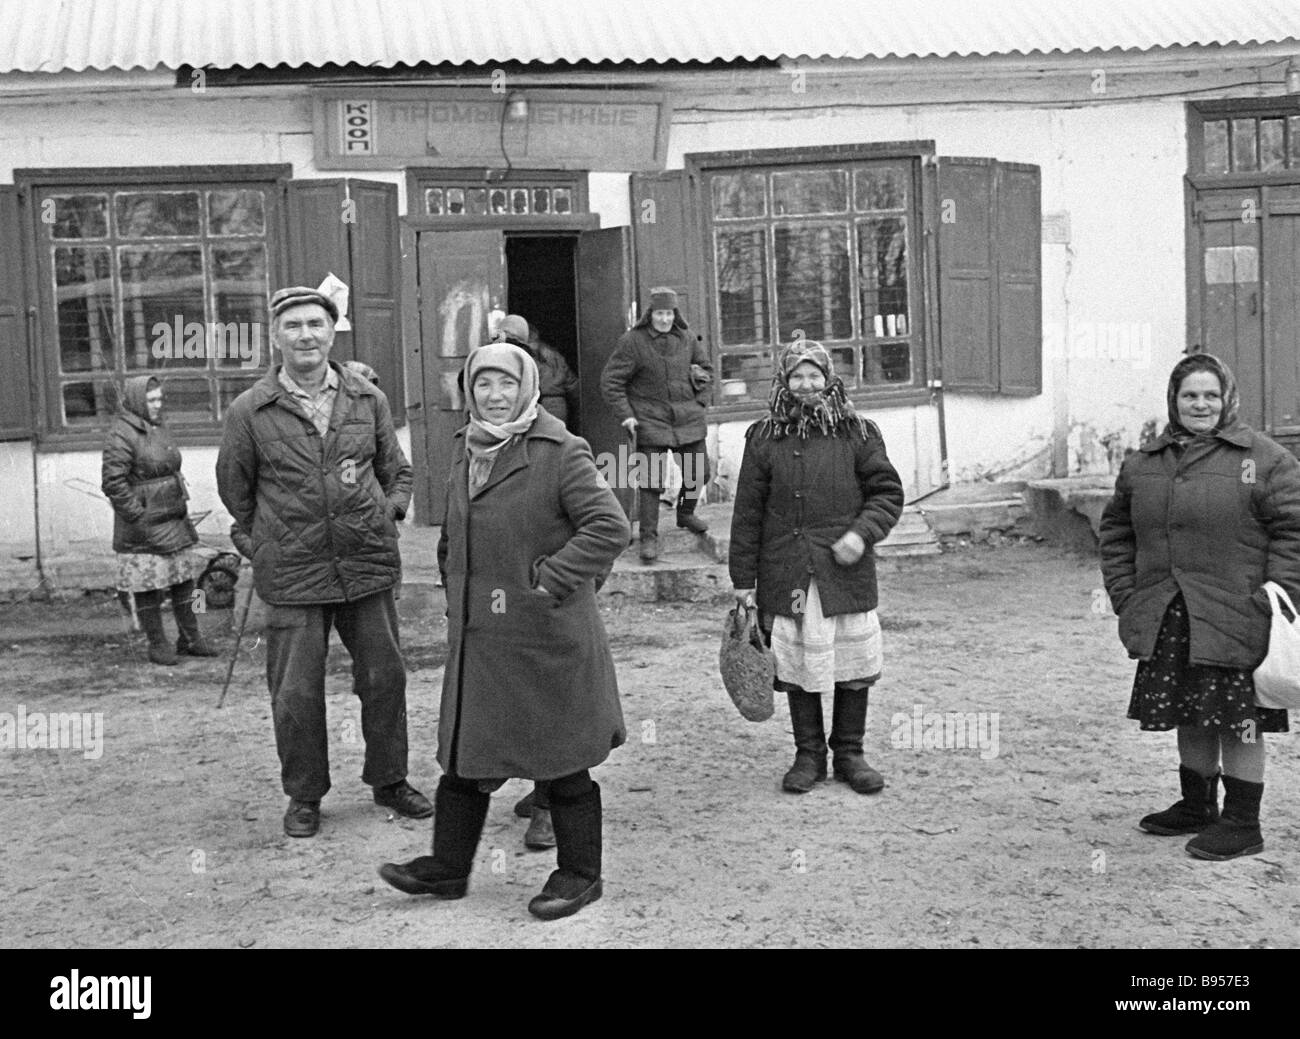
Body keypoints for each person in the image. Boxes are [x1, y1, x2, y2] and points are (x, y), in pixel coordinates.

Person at [378, 341, 630, 920]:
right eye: (483, 385)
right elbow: (453, 536)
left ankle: (579, 874)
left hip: (545, 637)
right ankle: (447, 869)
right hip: (481, 636)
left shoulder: (560, 450)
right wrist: (453, 585)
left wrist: (547, 581)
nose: (494, 397)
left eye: (506, 385)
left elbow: (608, 527)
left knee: (564, 762)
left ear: (528, 388)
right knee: (466, 759)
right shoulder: (468, 449)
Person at [216, 286, 431, 839]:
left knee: (384, 678)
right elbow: (235, 491)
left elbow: (397, 471)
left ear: (332, 332)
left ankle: (390, 780)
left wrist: (389, 513)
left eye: (315, 324)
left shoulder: (367, 399)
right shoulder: (250, 410)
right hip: (292, 573)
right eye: (293, 326)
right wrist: (264, 542)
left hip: (366, 562)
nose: (305, 335)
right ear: (275, 337)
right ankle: (305, 795)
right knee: (295, 692)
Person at [1099, 351, 1300, 861]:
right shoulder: (1144, 464)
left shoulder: (1262, 459)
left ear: (1227, 399)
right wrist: (1128, 597)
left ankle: (1242, 822)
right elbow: (1117, 534)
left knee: (1242, 720)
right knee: (1191, 711)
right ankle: (1196, 805)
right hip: (1171, 614)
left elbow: (1293, 531)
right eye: (1190, 395)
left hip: (1239, 617)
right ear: (1174, 400)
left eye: (1211, 395)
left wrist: (1274, 598)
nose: (1201, 404)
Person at [728, 339, 904, 795]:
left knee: (852, 662)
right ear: (783, 380)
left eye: (814, 375)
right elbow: (748, 512)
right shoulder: (764, 437)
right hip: (787, 570)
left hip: (844, 571)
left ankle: (850, 753)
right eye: (797, 376)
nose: (806, 385)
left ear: (829, 378)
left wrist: (860, 534)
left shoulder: (858, 433)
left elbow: (887, 493)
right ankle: (809, 756)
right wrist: (742, 581)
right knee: (797, 660)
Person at [101, 375, 216, 666]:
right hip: (143, 525)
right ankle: (157, 644)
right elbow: (113, 483)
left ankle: (191, 638)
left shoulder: (158, 427)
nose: (157, 405)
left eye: (159, 399)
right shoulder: (120, 434)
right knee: (148, 586)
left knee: (183, 580)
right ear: (138, 400)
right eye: (151, 400)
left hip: (172, 516)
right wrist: (138, 517)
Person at [600, 287, 713, 562]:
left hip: (688, 418)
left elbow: (707, 370)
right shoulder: (632, 342)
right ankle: (648, 536)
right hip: (649, 420)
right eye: (660, 313)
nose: (664, 319)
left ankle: (685, 513)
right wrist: (626, 414)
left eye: (669, 313)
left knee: (699, 473)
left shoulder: (687, 339)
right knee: (651, 482)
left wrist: (700, 402)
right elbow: (611, 381)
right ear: (650, 314)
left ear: (676, 314)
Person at [491, 314, 579, 429]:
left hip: (536, 405)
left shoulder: (522, 353)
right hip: (559, 405)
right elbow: (573, 386)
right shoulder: (553, 354)